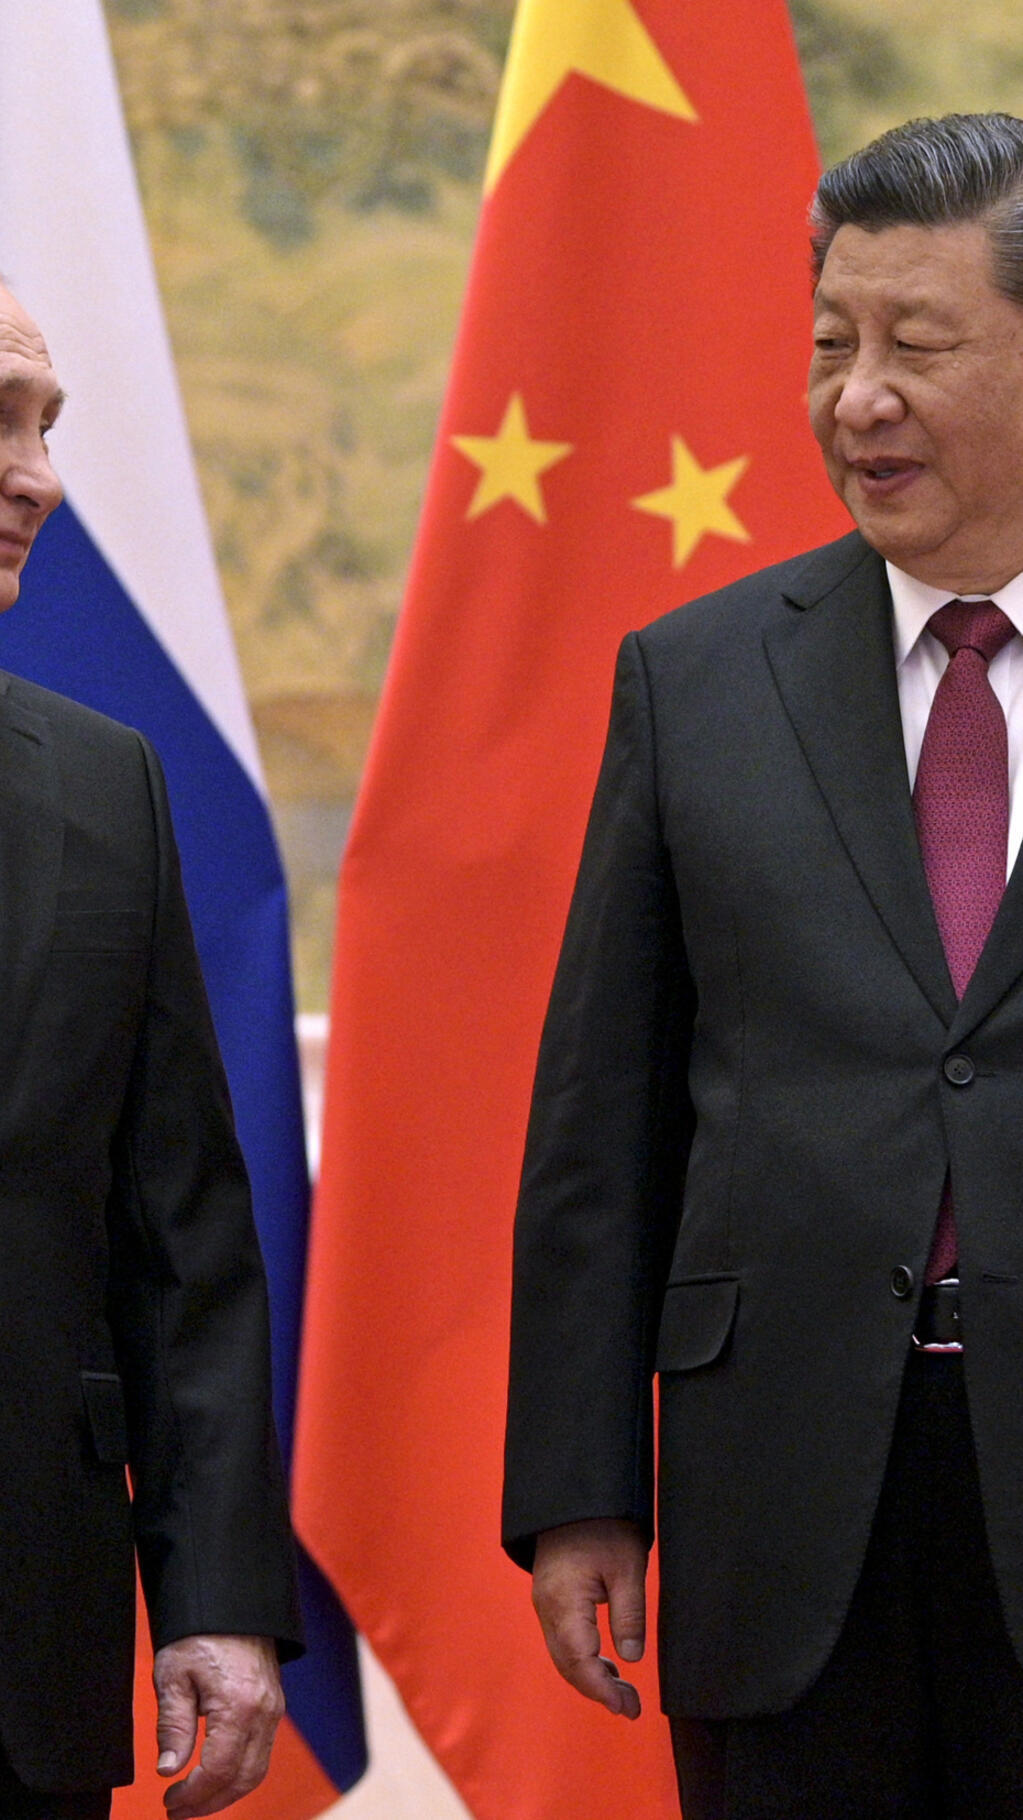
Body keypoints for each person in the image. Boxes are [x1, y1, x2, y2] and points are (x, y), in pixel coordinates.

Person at [503, 111, 1023, 1819]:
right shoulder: (699, 677)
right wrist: (582, 1491)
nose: (855, 397)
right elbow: (607, 1117)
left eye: (914, 346)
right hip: (787, 1508)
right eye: (830, 345)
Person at [0, 285, 302, 1816]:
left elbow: (183, 1238)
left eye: (45, 427)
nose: (34, 473)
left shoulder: (103, 787)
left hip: (23, 1666)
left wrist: (217, 1594)